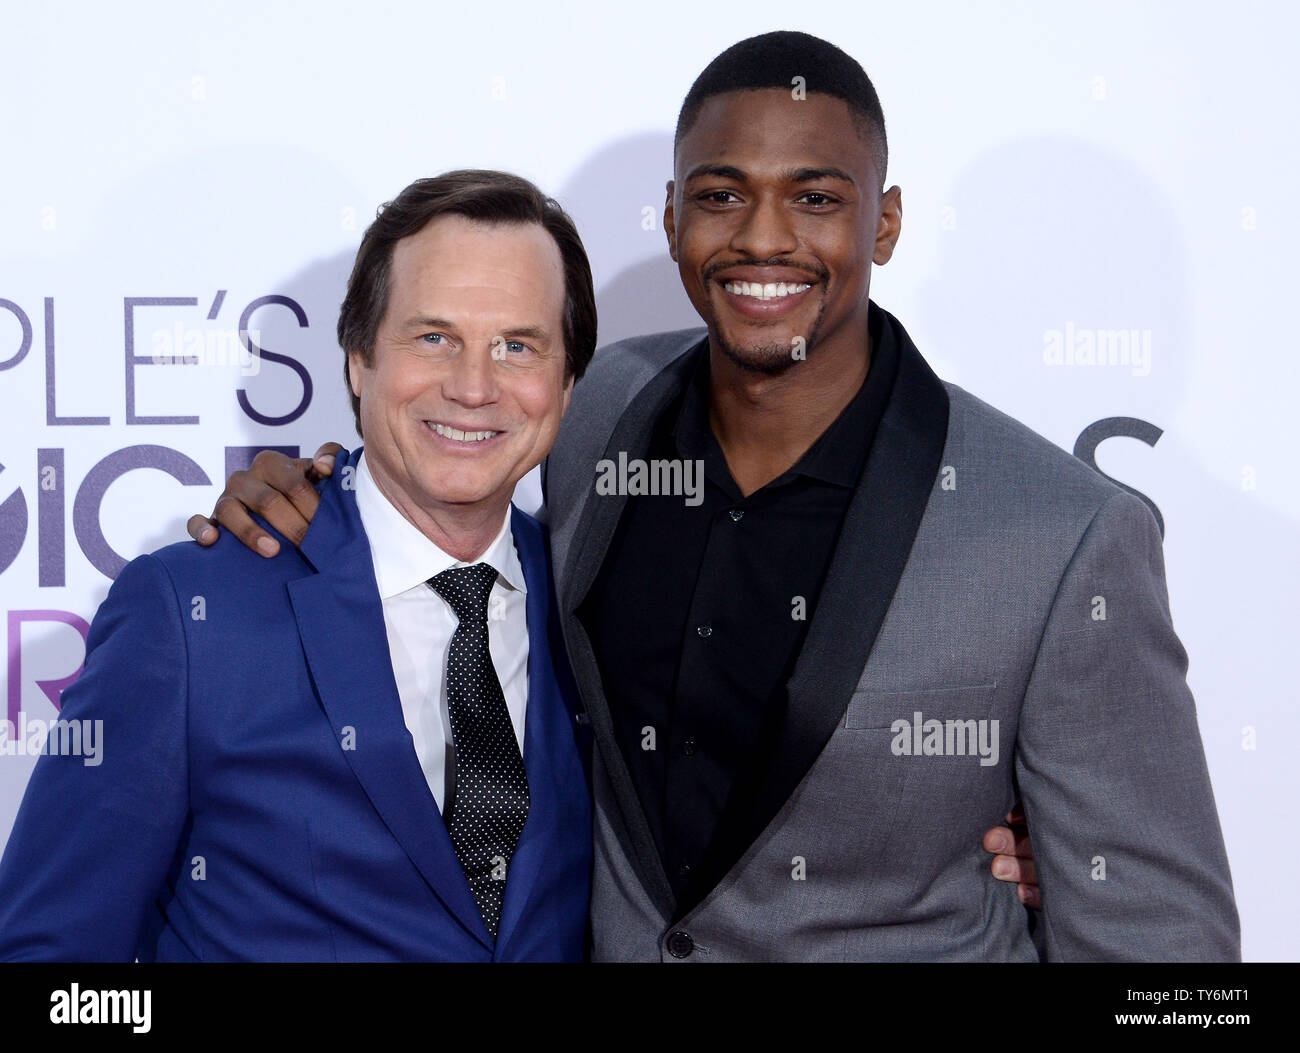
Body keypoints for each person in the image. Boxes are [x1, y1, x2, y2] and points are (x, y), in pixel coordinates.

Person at [198, 31, 1244, 961]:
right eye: (722, 193)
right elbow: (446, 498)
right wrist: (313, 497)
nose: (763, 237)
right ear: (670, 218)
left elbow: (1160, 935)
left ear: (882, 224)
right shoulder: (595, 406)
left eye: (817, 197)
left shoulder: (1058, 533)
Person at [0, 170, 595, 961]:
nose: (474, 385)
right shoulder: (190, 615)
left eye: (517, 346)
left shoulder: (595, 599)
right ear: (357, 361)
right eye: (433, 337)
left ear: (566, 382)